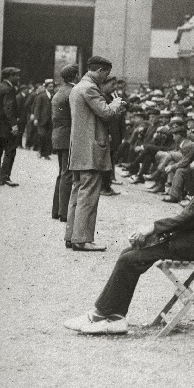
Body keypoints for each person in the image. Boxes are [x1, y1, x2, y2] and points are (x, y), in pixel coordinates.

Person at [63, 135, 194, 335]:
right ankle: (113, 317)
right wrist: (159, 233)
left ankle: (101, 315)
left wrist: (154, 229)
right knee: (129, 254)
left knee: (129, 260)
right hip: (191, 241)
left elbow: (190, 217)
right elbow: (191, 217)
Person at [65, 56, 125, 252]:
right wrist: (116, 103)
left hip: (79, 149)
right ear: (99, 71)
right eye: (106, 74)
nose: (106, 77)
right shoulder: (90, 88)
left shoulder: (78, 87)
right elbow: (106, 113)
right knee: (88, 196)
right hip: (91, 150)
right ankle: (82, 239)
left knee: (77, 192)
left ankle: (72, 235)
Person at [51, 65, 79, 220]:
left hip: (59, 136)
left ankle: (57, 210)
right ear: (76, 75)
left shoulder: (60, 91)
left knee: (62, 173)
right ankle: (63, 212)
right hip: (68, 137)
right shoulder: (72, 92)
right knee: (67, 174)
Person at [0, 66, 21, 186]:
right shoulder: (9, 89)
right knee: (10, 150)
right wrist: (14, 125)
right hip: (6, 127)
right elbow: (8, 108)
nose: (18, 78)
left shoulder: (1, 86)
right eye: (16, 75)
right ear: (9, 76)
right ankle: (5, 176)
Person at [32, 79, 55, 159]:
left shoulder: (53, 96)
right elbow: (37, 107)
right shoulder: (41, 96)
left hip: (50, 120)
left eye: (52, 86)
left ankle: (46, 154)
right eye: (50, 86)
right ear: (46, 87)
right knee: (42, 136)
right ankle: (40, 151)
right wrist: (36, 118)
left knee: (48, 137)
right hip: (42, 120)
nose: (51, 88)